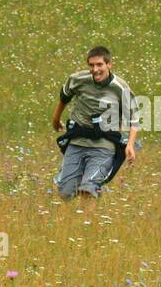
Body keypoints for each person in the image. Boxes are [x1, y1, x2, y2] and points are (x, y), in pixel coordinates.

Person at [51, 46, 140, 202]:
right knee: (65, 193)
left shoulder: (120, 87)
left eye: (99, 65)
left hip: (104, 145)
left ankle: (86, 224)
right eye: (91, 65)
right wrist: (55, 119)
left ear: (109, 64)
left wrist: (130, 144)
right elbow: (64, 97)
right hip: (78, 141)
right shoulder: (76, 80)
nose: (95, 69)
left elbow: (134, 117)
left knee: (88, 188)